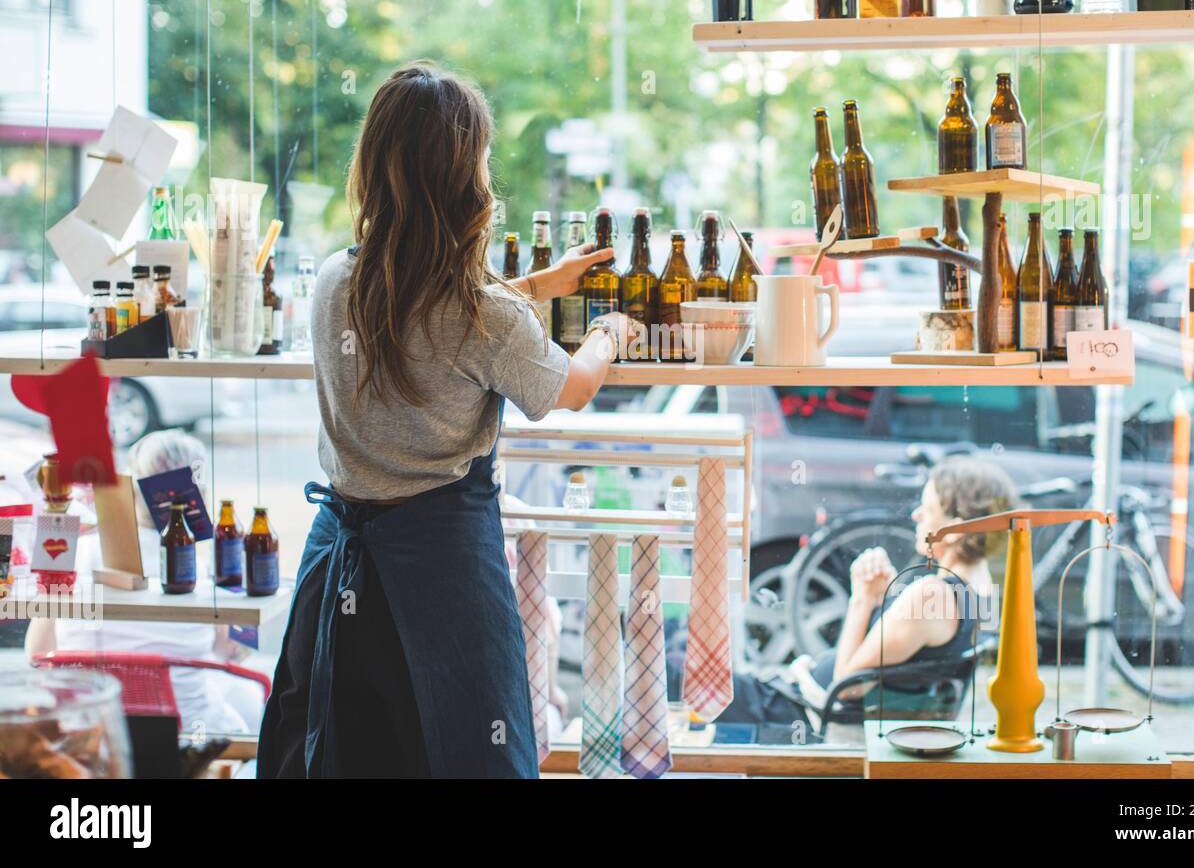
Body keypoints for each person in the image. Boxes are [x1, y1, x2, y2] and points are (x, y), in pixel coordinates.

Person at [257, 61, 635, 778]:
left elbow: (417, 312)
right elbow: (573, 388)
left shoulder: (336, 281)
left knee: (345, 750)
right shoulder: (483, 315)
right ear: (465, 180)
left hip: (338, 555)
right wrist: (610, 330)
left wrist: (529, 288)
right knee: (461, 752)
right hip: (439, 572)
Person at [718, 457, 1017, 730]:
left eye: (927, 510)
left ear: (954, 530)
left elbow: (847, 686)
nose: (916, 515)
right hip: (800, 703)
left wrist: (862, 599)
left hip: (799, 715)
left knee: (690, 682)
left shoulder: (932, 596)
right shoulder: (981, 587)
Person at [25, 430, 263, 734]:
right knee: (249, 698)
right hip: (187, 734)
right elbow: (233, 651)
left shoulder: (71, 555)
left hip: (90, 731)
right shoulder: (201, 571)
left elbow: (37, 654)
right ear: (198, 498)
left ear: (130, 490)